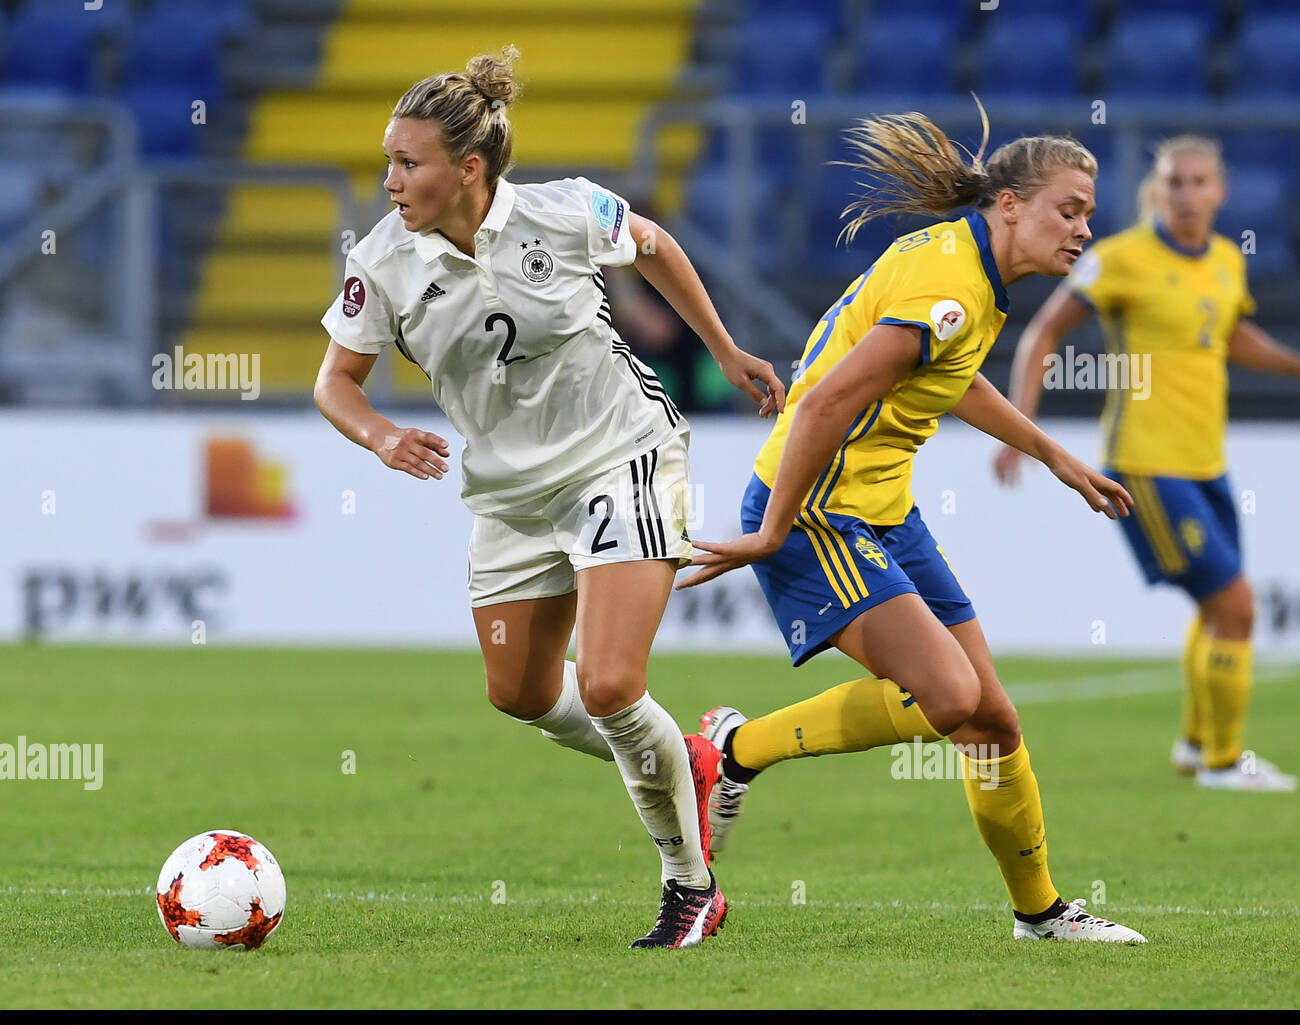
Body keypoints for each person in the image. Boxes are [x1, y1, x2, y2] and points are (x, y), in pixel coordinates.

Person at [313, 46, 786, 949]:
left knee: (610, 685)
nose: (390, 181)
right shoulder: (381, 260)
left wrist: (723, 351)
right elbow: (336, 381)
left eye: (408, 163)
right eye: (387, 160)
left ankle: (691, 886)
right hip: (508, 495)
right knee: (520, 693)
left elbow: (656, 245)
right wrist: (380, 436)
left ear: (469, 169)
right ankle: (689, 756)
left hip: (623, 455)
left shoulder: (562, 211)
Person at [677, 108, 1148, 942]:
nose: (1084, 227)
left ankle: (1039, 915)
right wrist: (770, 529)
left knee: (993, 721)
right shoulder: (952, 288)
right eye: (1068, 209)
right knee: (952, 696)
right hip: (820, 512)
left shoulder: (968, 273)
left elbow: (951, 379)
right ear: (1009, 204)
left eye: (1088, 212)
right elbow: (821, 402)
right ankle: (734, 752)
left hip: (883, 509)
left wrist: (1055, 458)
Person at [994, 135, 1299, 793]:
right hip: (1145, 465)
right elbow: (1046, 330)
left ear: (1219, 191)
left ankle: (1196, 747)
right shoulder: (1121, 259)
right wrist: (1021, 429)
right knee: (1237, 607)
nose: (1186, 193)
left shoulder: (1223, 261)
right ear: (1155, 191)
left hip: (1206, 462)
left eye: (1198, 182)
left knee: (1221, 610)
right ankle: (1223, 763)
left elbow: (1228, 335)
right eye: (1173, 182)